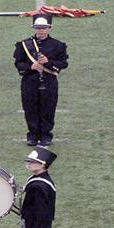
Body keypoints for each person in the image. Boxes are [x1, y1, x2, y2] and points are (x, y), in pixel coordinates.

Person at [14, 13, 68, 146]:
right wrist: (31, 67)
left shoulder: (58, 45)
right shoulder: (23, 45)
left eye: (44, 28)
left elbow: (63, 63)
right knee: (30, 108)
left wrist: (48, 62)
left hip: (49, 82)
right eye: (38, 28)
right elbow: (18, 63)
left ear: (49, 28)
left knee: (48, 108)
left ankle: (46, 135)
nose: (41, 30)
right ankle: (32, 135)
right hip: (29, 82)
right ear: (34, 28)